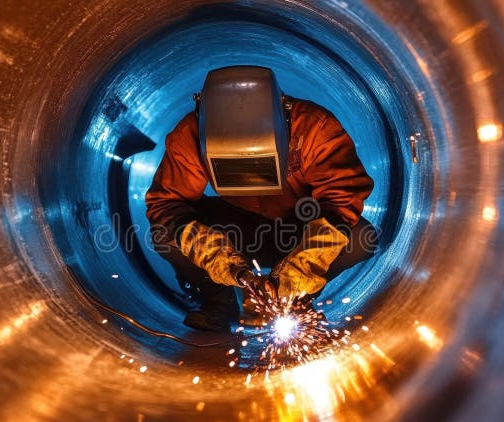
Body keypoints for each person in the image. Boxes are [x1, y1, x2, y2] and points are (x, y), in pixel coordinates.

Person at [145, 66, 377, 331]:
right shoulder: (189, 135)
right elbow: (166, 203)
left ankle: (297, 303)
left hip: (297, 227)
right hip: (235, 230)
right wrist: (227, 266)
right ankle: (217, 303)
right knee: (167, 235)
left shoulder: (315, 128)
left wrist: (294, 277)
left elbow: (342, 201)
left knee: (360, 237)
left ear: (283, 124)